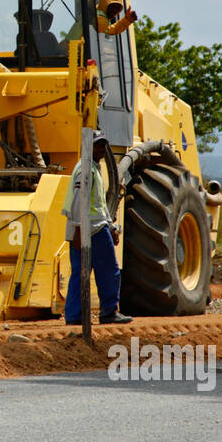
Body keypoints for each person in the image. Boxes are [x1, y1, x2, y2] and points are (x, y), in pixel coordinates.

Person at [61, 135, 132, 325]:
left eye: (103, 145)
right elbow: (78, 202)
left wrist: (111, 227)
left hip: (92, 228)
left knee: (80, 274)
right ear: (87, 147)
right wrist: (78, 231)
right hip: (91, 230)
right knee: (109, 272)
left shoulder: (92, 168)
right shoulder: (86, 171)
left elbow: (98, 204)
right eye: (97, 145)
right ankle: (108, 312)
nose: (101, 149)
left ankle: (74, 317)